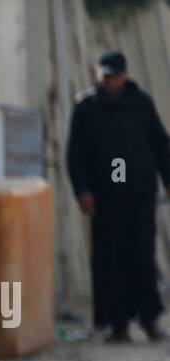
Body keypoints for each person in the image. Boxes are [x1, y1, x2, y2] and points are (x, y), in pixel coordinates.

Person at [66, 49, 170, 343]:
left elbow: (160, 143)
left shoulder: (140, 103)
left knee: (141, 256)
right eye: (105, 76)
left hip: (139, 193)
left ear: (124, 76)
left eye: (115, 76)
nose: (110, 81)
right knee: (110, 260)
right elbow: (75, 154)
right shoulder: (86, 107)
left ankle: (149, 319)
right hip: (105, 197)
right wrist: (82, 191)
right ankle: (118, 324)